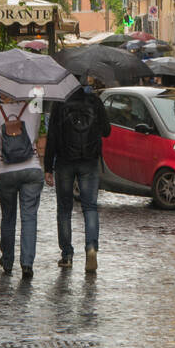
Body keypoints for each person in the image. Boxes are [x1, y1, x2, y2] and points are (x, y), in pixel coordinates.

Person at [44, 78, 111, 274]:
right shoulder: (95, 102)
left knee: (64, 209)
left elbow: (52, 136)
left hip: (64, 161)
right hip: (89, 161)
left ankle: (67, 255)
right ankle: (91, 247)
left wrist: (48, 167)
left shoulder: (60, 103)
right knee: (90, 207)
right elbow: (107, 131)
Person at [0, 90, 45, 278]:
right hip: (31, 168)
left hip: (5, 171)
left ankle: (7, 261)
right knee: (29, 217)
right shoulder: (34, 107)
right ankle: (27, 263)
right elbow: (35, 135)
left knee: (8, 217)